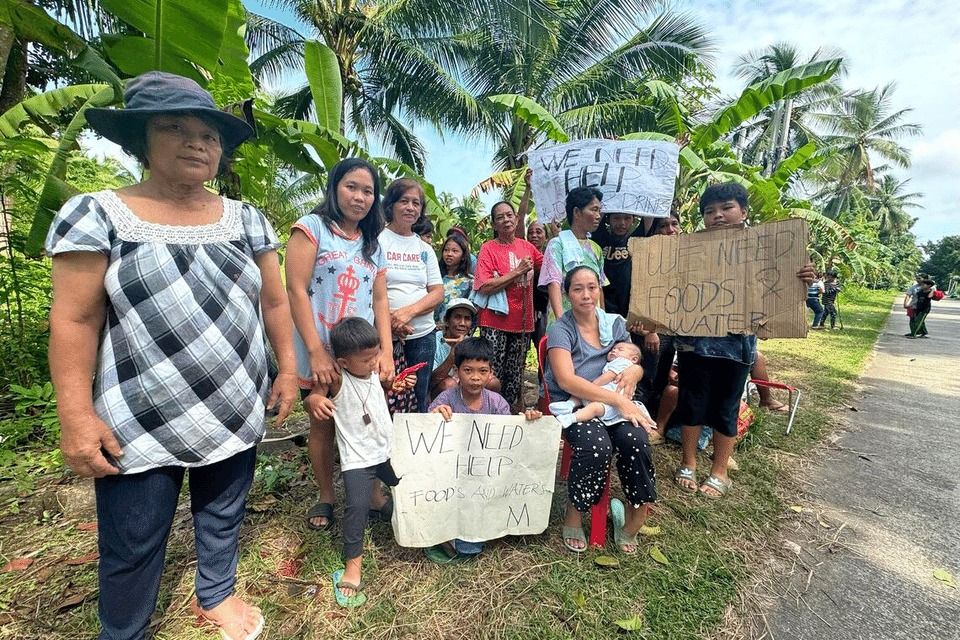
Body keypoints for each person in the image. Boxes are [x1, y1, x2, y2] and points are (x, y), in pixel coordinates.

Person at [46, 71, 299, 640]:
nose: (196, 142)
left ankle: (217, 591)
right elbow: (74, 319)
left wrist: (288, 369)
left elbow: (276, 304)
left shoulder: (246, 218)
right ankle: (125, 628)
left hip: (234, 400)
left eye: (208, 134)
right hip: (136, 412)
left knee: (222, 512)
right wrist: (76, 416)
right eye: (174, 128)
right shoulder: (99, 213)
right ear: (141, 140)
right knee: (133, 536)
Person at [673, 183, 816, 499]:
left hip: (736, 348)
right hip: (693, 343)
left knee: (726, 407)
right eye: (710, 212)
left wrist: (800, 277)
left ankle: (719, 469)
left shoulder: (767, 250)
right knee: (692, 403)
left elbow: (779, 290)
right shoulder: (689, 250)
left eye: (726, 208)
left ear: (743, 212)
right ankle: (688, 462)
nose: (718, 216)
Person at [286, 158, 394, 532]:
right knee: (324, 424)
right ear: (334, 188)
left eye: (368, 191)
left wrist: (387, 352)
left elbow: (380, 301)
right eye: (351, 187)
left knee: (370, 419)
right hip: (320, 346)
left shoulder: (372, 244)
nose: (360, 197)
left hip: (362, 350)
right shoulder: (312, 228)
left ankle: (375, 493)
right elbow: (295, 290)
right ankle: (326, 495)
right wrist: (315, 350)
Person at [302, 318, 414, 607]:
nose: (374, 361)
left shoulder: (373, 370)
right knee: (356, 509)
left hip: (387, 450)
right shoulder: (337, 378)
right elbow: (314, 396)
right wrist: (314, 402)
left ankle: (416, 527)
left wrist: (397, 387)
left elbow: (379, 393)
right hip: (357, 460)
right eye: (366, 359)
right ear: (343, 361)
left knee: (409, 491)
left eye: (376, 353)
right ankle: (353, 566)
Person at [544, 266, 657, 554]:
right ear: (568, 294)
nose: (586, 294)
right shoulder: (561, 328)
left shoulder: (614, 324)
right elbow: (566, 379)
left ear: (599, 289)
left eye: (592, 287)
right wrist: (618, 400)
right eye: (578, 288)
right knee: (596, 446)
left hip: (617, 403)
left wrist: (636, 372)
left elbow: (633, 359)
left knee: (637, 441)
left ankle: (633, 520)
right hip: (580, 401)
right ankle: (574, 513)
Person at [426, 337, 541, 562]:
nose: (475, 377)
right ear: (456, 372)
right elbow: (427, 434)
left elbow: (510, 443)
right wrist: (435, 415)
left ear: (491, 373)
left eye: (482, 371)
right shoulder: (446, 398)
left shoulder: (497, 403)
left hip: (486, 479)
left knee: (477, 530)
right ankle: (450, 535)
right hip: (453, 478)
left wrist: (529, 422)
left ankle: (471, 534)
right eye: (468, 370)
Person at [473, 201, 544, 411]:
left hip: (522, 323)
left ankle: (509, 420)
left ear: (516, 219)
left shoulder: (527, 246)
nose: (506, 220)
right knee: (491, 375)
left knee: (515, 376)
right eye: (500, 217)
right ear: (494, 224)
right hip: (494, 321)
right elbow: (483, 285)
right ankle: (487, 415)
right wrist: (517, 272)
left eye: (509, 215)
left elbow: (550, 267)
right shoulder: (488, 248)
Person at [380, 179, 444, 412]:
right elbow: (368, 288)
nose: (410, 207)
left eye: (416, 203)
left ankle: (413, 446)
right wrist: (389, 320)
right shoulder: (376, 241)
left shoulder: (424, 249)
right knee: (383, 392)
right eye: (404, 201)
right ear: (391, 205)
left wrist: (407, 313)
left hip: (422, 334)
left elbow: (437, 292)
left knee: (418, 395)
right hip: (382, 335)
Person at [548, 341, 655, 432]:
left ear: (634, 359)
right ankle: (568, 406)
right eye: (613, 348)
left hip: (612, 404)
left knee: (593, 407)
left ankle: (570, 417)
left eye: (620, 350)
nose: (614, 350)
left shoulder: (623, 363)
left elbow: (608, 377)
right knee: (582, 393)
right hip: (607, 395)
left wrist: (592, 386)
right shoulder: (619, 362)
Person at [538, 186, 608, 323]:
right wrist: (561, 323)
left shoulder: (597, 249)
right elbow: (554, 283)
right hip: (565, 324)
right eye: (594, 210)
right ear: (576, 212)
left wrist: (603, 321)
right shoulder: (557, 245)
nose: (598, 216)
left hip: (592, 326)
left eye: (599, 211)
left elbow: (599, 288)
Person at [429, 298, 500, 398]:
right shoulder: (433, 341)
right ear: (447, 320)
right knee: (449, 385)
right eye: (457, 317)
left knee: (493, 382)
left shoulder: (471, 343)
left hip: (466, 387)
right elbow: (432, 379)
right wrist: (454, 353)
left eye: (467, 319)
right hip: (437, 391)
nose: (462, 323)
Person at [434, 232, 473, 322]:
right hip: (430, 329)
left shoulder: (469, 282)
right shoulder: (435, 278)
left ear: (463, 256)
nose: (449, 254)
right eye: (446, 250)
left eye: (455, 251)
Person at [527, 221, 550, 354]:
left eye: (538, 232)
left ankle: (544, 375)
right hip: (523, 311)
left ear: (546, 237)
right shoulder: (521, 256)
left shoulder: (551, 258)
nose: (534, 235)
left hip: (543, 311)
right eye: (530, 232)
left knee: (544, 349)